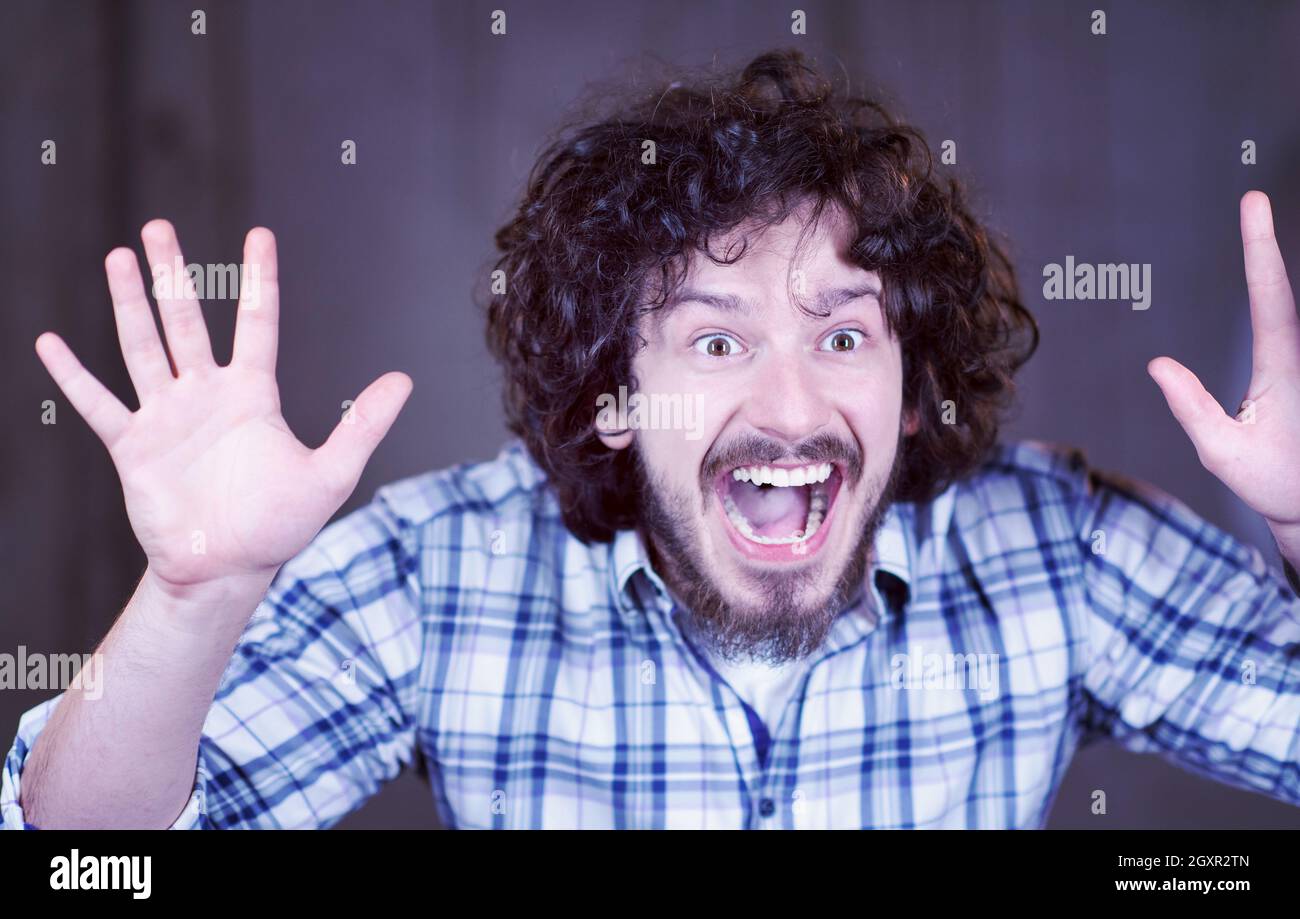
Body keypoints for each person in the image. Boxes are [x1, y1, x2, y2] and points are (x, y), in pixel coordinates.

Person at [4, 50, 1299, 829]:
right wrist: (199, 595)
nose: (791, 408)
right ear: (615, 396)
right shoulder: (438, 571)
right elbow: (87, 866)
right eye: (717, 340)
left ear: (914, 390)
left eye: (842, 336)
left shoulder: (1055, 552)